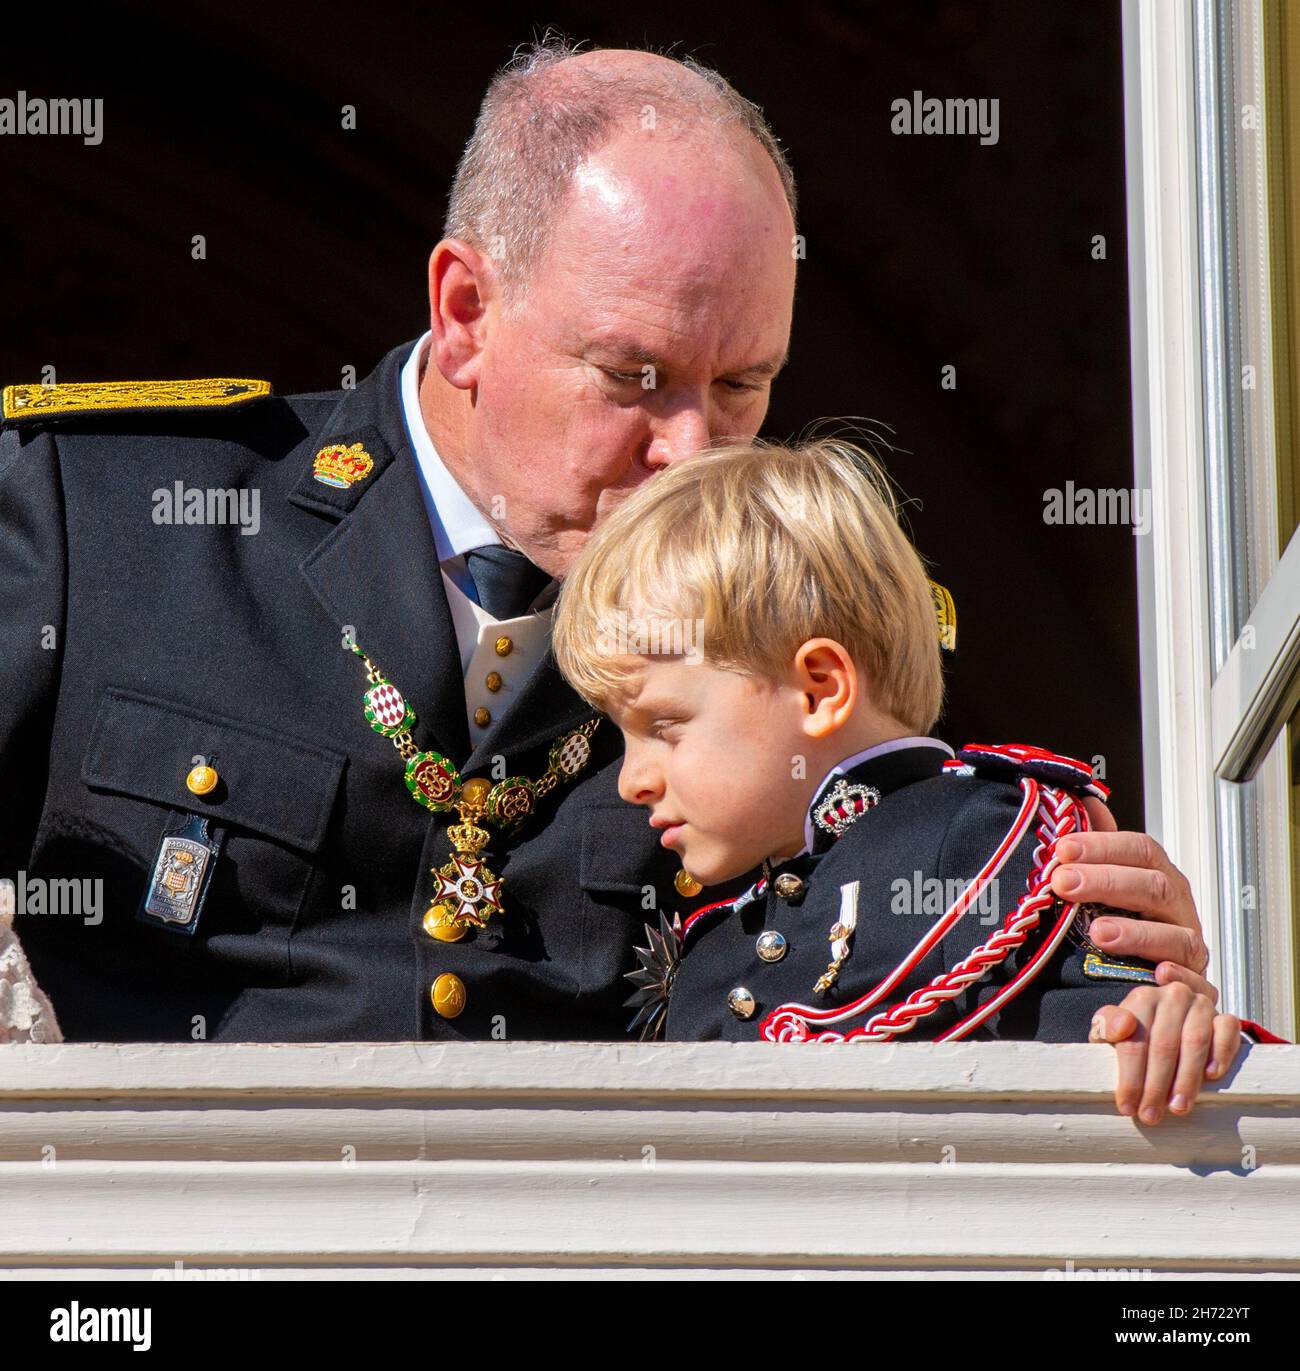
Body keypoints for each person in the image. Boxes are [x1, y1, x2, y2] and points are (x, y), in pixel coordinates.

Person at [0, 42, 1215, 1045]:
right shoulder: (101, 517)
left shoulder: (805, 630)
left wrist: (1101, 982)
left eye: (741, 385)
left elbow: (924, 948)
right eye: (635, 376)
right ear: (467, 312)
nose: (691, 449)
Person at [551, 437, 1262, 1122]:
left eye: (665, 728)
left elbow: (1104, 1048)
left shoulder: (979, 833)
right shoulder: (711, 954)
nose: (631, 781)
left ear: (820, 688)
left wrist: (1148, 1024)